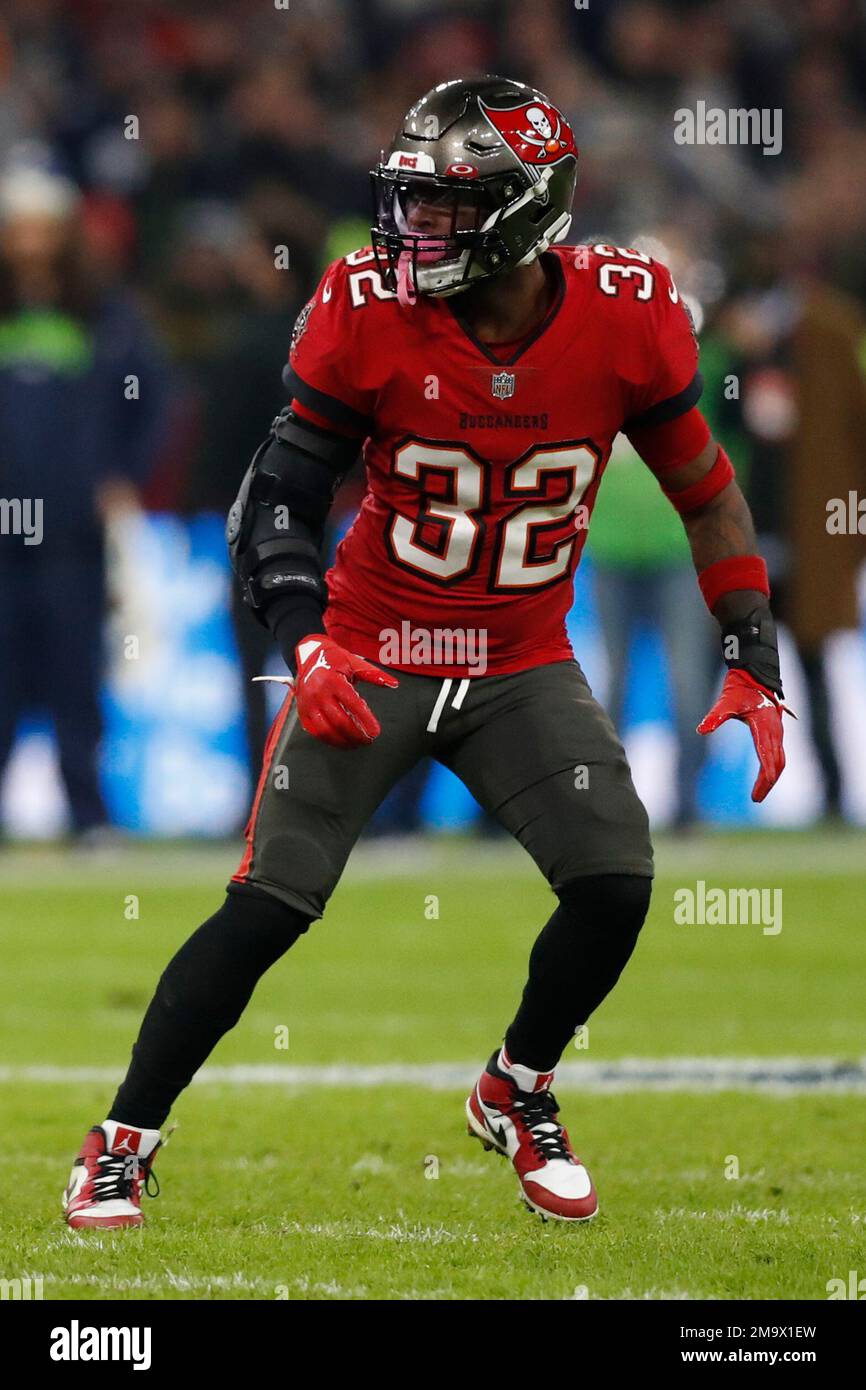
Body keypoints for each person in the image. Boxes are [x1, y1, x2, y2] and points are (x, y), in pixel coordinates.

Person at [62, 78, 790, 1228]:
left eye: (444, 209)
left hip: (519, 659)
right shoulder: (366, 305)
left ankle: (518, 1084)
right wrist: (302, 644)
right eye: (410, 203)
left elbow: (704, 492)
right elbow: (281, 498)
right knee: (268, 904)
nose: (411, 232)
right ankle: (121, 1139)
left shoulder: (624, 309)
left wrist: (752, 648)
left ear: (520, 212)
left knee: (614, 881)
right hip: (372, 644)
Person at [0, 166, 167, 841]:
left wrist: (122, 475)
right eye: (20, 230)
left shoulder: (106, 316)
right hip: (4, 534)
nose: (33, 244)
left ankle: (88, 813)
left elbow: (153, 402)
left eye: (44, 229)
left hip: (72, 533)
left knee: (76, 676)